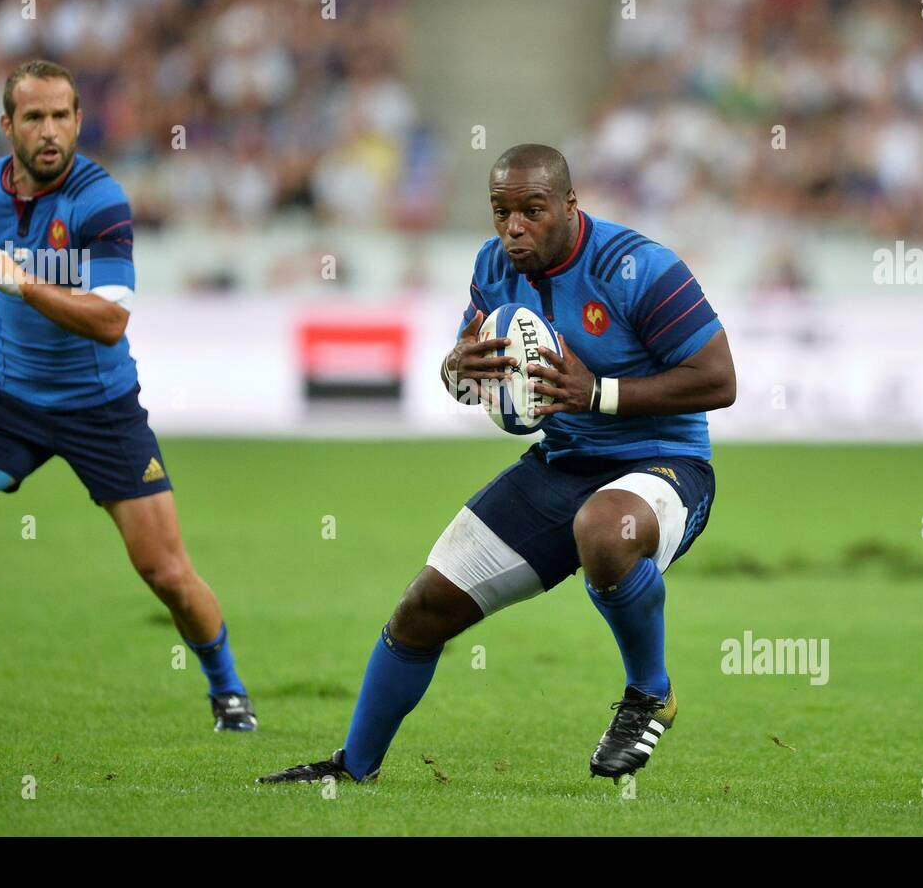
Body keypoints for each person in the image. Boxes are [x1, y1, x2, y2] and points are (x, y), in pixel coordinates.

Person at [260, 144, 735, 783]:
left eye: (532, 210)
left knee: (604, 529)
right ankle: (353, 769)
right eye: (501, 212)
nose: (514, 228)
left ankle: (649, 693)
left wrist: (599, 394)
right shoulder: (494, 267)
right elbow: (467, 367)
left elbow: (719, 380)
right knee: (423, 608)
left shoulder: (639, 268)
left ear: (570, 204)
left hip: (665, 466)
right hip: (561, 463)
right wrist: (456, 371)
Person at [0, 60, 256, 732]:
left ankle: (228, 690)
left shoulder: (100, 200)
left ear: (80, 120)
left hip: (102, 412)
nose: (50, 130)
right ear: (7, 126)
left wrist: (21, 281)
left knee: (166, 572)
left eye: (62, 116)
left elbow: (111, 319)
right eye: (34, 117)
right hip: (12, 404)